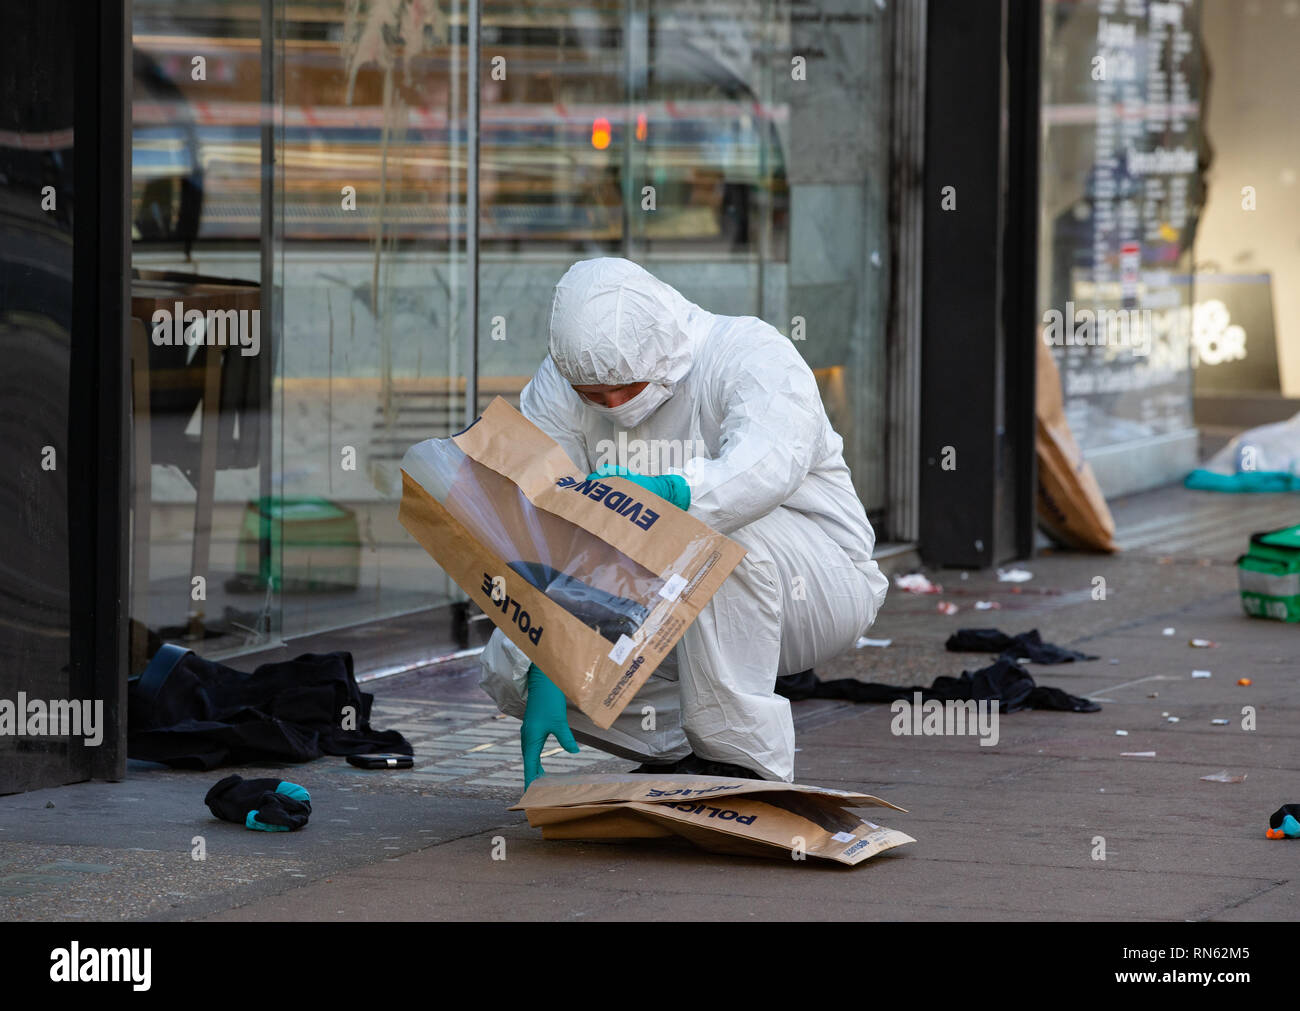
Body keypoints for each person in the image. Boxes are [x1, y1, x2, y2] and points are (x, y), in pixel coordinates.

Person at [480, 257, 888, 785]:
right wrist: (551, 652)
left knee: (709, 542)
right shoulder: (559, 386)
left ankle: (740, 761)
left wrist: (675, 494)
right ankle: (677, 745)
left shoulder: (748, 352)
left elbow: (771, 462)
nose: (614, 405)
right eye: (595, 397)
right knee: (511, 659)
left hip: (815, 585)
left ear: (662, 350)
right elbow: (548, 521)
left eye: (629, 387)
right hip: (669, 593)